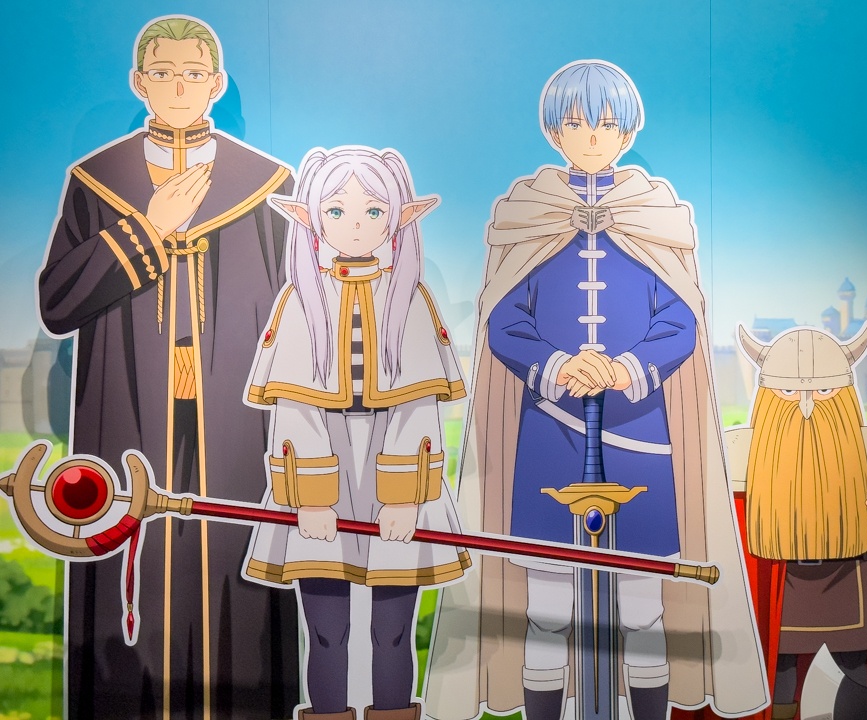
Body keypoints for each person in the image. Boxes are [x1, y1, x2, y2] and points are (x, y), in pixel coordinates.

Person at [425, 60, 766, 720]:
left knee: (642, 604)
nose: (591, 136)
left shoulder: (656, 218)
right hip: (547, 443)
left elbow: (680, 320)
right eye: (577, 122)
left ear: (627, 132)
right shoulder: (525, 217)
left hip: (642, 440)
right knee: (548, 609)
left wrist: (623, 368)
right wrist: (558, 365)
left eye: (606, 123)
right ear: (554, 131)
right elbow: (504, 320)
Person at [37, 16, 300, 719]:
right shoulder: (97, 182)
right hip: (127, 403)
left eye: (193, 74)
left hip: (236, 411)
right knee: (131, 556)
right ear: (138, 82)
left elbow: (297, 309)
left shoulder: (267, 185)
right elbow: (57, 304)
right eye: (163, 72)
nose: (178, 86)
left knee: (236, 560)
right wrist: (148, 228)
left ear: (216, 84)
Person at [243, 146, 470, 720]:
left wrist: (404, 496)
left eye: (373, 211)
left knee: (392, 633)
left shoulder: (410, 299)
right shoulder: (299, 301)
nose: (356, 226)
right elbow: (294, 409)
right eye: (337, 211)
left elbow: (418, 407)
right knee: (326, 631)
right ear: (312, 219)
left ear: (397, 219)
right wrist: (311, 497)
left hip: (396, 464)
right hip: (322, 464)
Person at [726, 324, 867, 720]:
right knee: (777, 691)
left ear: (845, 395)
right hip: (780, 602)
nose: (806, 406)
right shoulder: (738, 456)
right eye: (788, 392)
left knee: (859, 688)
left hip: (857, 597)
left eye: (825, 392)